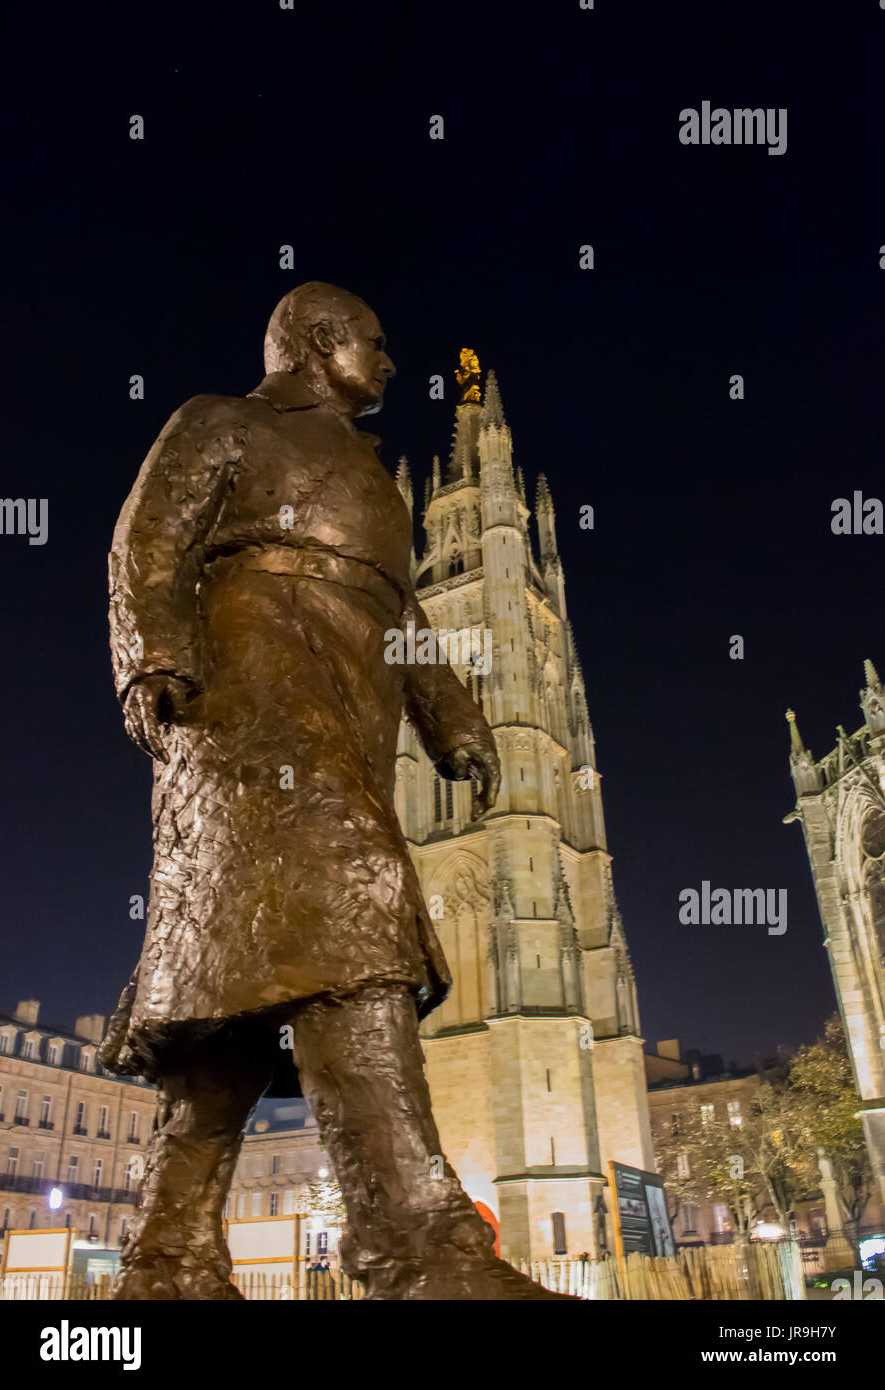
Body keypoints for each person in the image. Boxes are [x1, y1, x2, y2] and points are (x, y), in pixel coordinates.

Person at [102, 283, 568, 1301]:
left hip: (339, 721)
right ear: (317, 342)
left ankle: (169, 1254)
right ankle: (417, 1236)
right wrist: (152, 652)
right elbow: (147, 541)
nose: (391, 362)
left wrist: (453, 721)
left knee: (236, 989)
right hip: (244, 705)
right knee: (357, 924)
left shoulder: (370, 481)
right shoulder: (219, 422)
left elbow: (402, 618)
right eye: (375, 342)